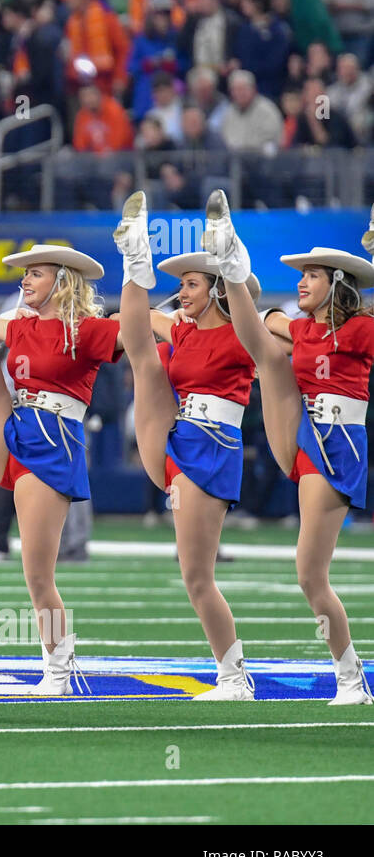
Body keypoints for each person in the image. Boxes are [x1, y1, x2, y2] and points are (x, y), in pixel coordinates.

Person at [0, 194, 124, 695]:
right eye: (26, 274)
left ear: (61, 281)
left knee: (37, 575)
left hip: (54, 442)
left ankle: (60, 668)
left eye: (36, 274)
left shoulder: (88, 330)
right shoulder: (18, 325)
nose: (25, 281)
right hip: (12, 428)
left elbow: (142, 336)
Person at [201, 191, 374, 705]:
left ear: (336, 284)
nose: (302, 281)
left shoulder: (361, 329)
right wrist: (246, 295)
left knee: (309, 574)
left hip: (339, 446)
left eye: (312, 275)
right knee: (261, 345)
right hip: (301, 437)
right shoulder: (298, 327)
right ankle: (231, 258)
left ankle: (351, 678)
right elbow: (257, 327)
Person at [114, 191, 262, 700]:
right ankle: (136, 259)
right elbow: (135, 326)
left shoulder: (245, 333)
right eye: (180, 284)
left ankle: (233, 676)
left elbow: (252, 302)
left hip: (214, 448)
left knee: (197, 576)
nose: (183, 292)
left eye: (192, 284)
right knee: (142, 351)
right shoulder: (182, 330)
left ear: (219, 290)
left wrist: (228, 263)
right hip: (178, 437)